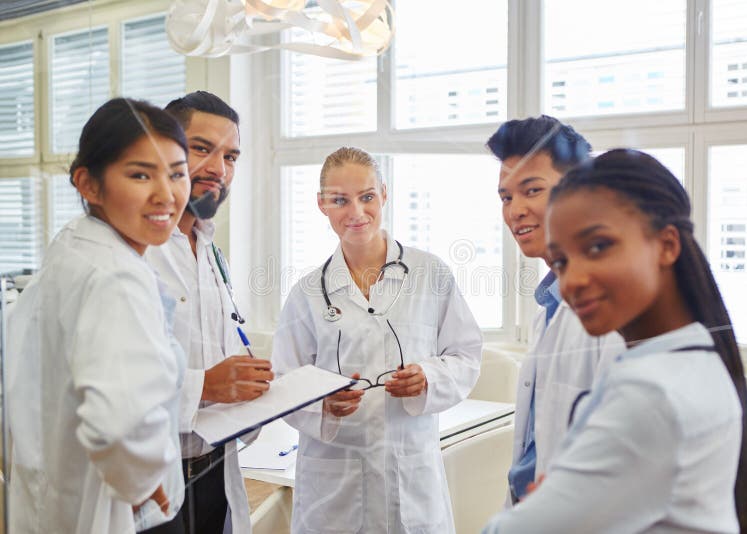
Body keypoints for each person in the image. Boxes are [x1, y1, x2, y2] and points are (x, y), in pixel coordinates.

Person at [483, 149, 747, 533]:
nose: (573, 280)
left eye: (598, 247)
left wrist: (554, 503)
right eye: (561, 261)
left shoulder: (651, 393)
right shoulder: (695, 358)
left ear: (666, 244)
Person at [271, 147, 482, 533]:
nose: (356, 212)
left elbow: (466, 354)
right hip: (335, 486)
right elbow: (284, 381)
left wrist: (428, 377)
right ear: (322, 204)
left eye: (367, 196)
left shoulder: (430, 273)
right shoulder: (307, 293)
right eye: (340, 200)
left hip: (411, 471)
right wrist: (323, 403)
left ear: (384, 193)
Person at [6, 98, 190, 533]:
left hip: (55, 492)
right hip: (119, 510)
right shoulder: (116, 277)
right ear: (88, 184)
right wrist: (143, 480)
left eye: (177, 173)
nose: (166, 194)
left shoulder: (74, 245)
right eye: (140, 174)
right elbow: (120, 422)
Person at [145, 91, 273, 534]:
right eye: (202, 149)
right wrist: (205, 385)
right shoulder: (134, 252)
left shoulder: (212, 253)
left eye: (231, 156)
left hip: (215, 468)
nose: (220, 169)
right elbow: (96, 377)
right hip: (150, 480)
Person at [487, 116, 625, 504]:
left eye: (532, 190)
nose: (515, 211)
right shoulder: (548, 304)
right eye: (506, 197)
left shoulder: (614, 310)